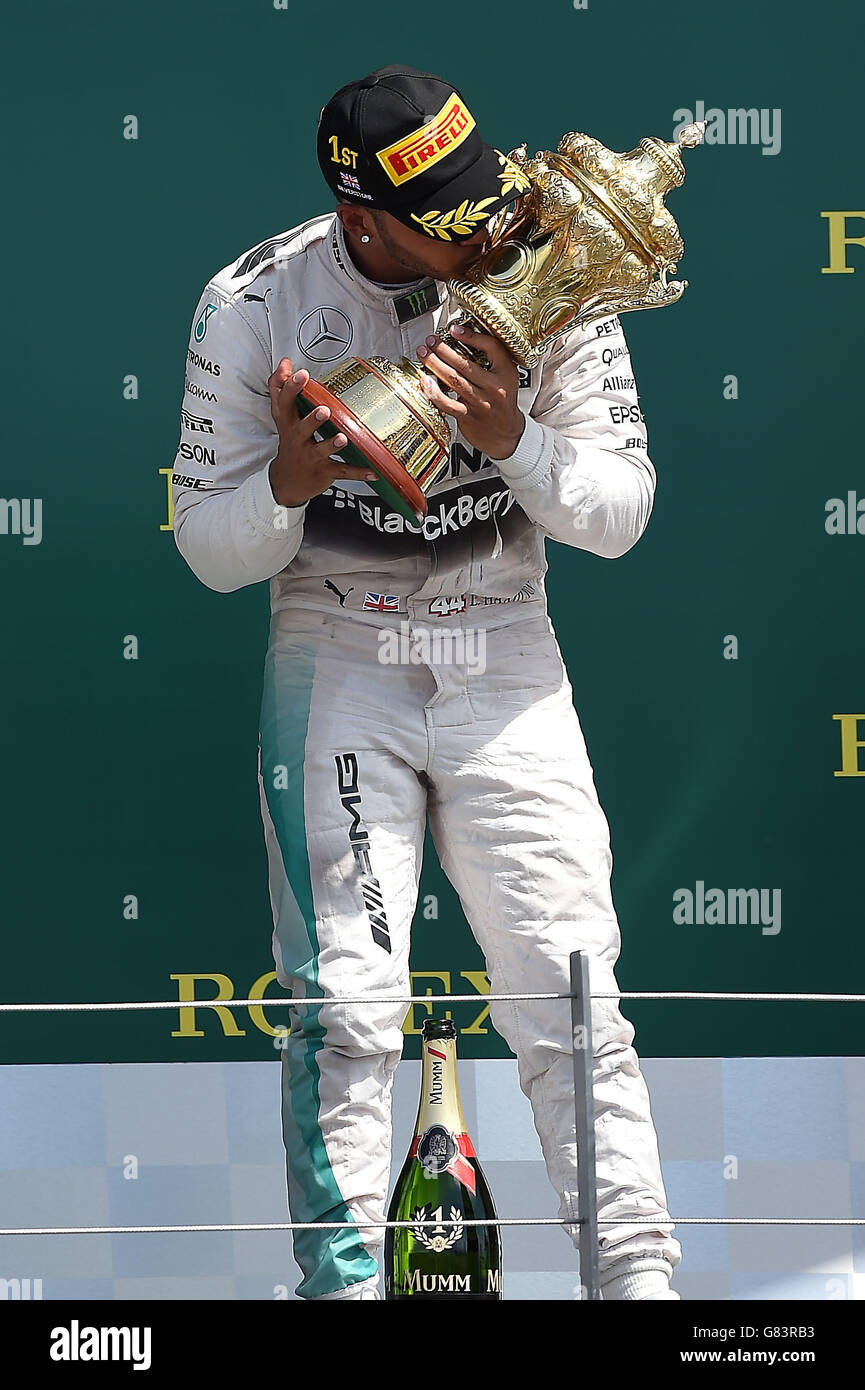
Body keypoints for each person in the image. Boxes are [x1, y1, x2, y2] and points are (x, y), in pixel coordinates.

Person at [172, 63, 682, 1301]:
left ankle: (639, 1288)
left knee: (571, 994)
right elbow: (205, 544)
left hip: (504, 654)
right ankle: (346, 1289)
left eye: (476, 193)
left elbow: (620, 512)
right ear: (360, 218)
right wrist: (290, 483)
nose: (478, 227)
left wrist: (516, 441)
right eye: (437, 214)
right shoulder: (257, 302)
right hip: (339, 655)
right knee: (346, 1006)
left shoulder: (552, 262)